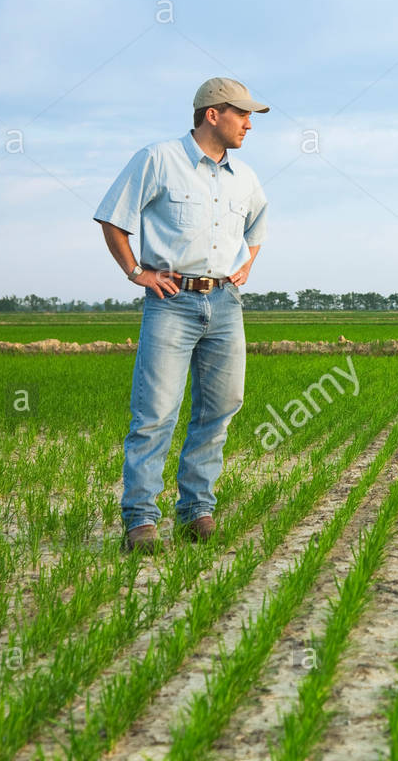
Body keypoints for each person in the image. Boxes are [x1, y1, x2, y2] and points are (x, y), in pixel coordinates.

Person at [94, 77, 269, 553]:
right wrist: (136, 272)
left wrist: (246, 264)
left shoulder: (245, 177)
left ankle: (196, 513)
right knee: (154, 414)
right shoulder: (158, 159)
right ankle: (140, 521)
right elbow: (112, 216)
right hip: (171, 301)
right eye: (242, 114)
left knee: (220, 408)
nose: (249, 124)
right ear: (213, 114)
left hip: (225, 304)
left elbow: (257, 225)